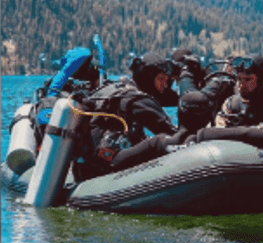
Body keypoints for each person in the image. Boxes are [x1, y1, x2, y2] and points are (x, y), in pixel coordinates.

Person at [70, 53, 180, 182]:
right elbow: (172, 134)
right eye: (162, 79)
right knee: (159, 141)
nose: (165, 86)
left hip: (86, 168)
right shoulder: (139, 100)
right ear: (149, 77)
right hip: (106, 166)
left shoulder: (118, 90)